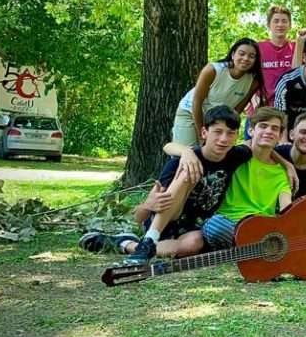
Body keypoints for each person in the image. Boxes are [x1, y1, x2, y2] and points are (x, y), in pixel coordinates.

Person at [79, 105, 253, 263]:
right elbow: (140, 217)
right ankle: (149, 239)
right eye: (217, 131)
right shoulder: (182, 161)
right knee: (188, 170)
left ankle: (126, 244)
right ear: (204, 132)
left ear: (236, 135)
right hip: (167, 219)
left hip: (195, 227)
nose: (223, 139)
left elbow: (261, 143)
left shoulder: (236, 155)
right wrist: (148, 205)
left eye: (230, 133)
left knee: (193, 245)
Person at [199, 107, 294, 250]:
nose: (269, 131)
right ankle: (256, 249)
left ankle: (250, 249)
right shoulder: (236, 156)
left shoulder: (282, 172)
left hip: (260, 227)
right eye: (263, 126)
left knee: (274, 232)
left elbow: (287, 206)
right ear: (251, 131)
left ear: (280, 136)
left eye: (274, 128)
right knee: (215, 226)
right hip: (227, 222)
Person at [171, 38, 264, 145]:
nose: (246, 58)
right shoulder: (212, 70)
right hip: (191, 112)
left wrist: (225, 130)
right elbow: (197, 102)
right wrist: (202, 134)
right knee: (188, 152)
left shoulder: (253, 81)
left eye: (251, 56)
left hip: (216, 119)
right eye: (241, 54)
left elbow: (236, 111)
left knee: (212, 155)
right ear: (233, 54)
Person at [246, 6, 298, 132]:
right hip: (260, 110)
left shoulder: (297, 48)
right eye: (276, 21)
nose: (280, 25)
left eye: (284, 21)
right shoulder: (258, 48)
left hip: (287, 111)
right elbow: (247, 76)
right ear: (269, 24)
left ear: (290, 25)